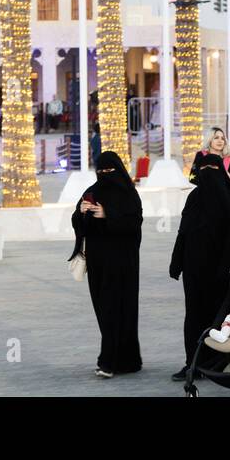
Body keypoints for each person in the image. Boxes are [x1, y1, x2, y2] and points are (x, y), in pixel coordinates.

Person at [169, 150, 230, 380]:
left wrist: (225, 268)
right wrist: (177, 262)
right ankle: (193, 362)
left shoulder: (229, 199)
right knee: (193, 317)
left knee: (219, 317)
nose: (208, 174)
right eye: (203, 170)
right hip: (193, 270)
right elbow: (184, 232)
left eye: (213, 170)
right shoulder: (193, 198)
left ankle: (219, 361)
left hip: (219, 272)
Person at [70, 150, 143, 378]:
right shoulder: (92, 191)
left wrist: (108, 214)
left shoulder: (129, 194)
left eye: (110, 170)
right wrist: (81, 213)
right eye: (101, 171)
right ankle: (121, 359)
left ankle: (111, 361)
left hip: (123, 263)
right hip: (99, 263)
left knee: (122, 309)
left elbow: (135, 223)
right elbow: (78, 222)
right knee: (104, 309)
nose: (105, 175)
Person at [195, 126, 230, 192]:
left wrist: (226, 174)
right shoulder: (201, 155)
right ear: (210, 140)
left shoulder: (227, 160)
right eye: (216, 138)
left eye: (222, 138)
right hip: (203, 196)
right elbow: (193, 178)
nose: (220, 141)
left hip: (223, 197)